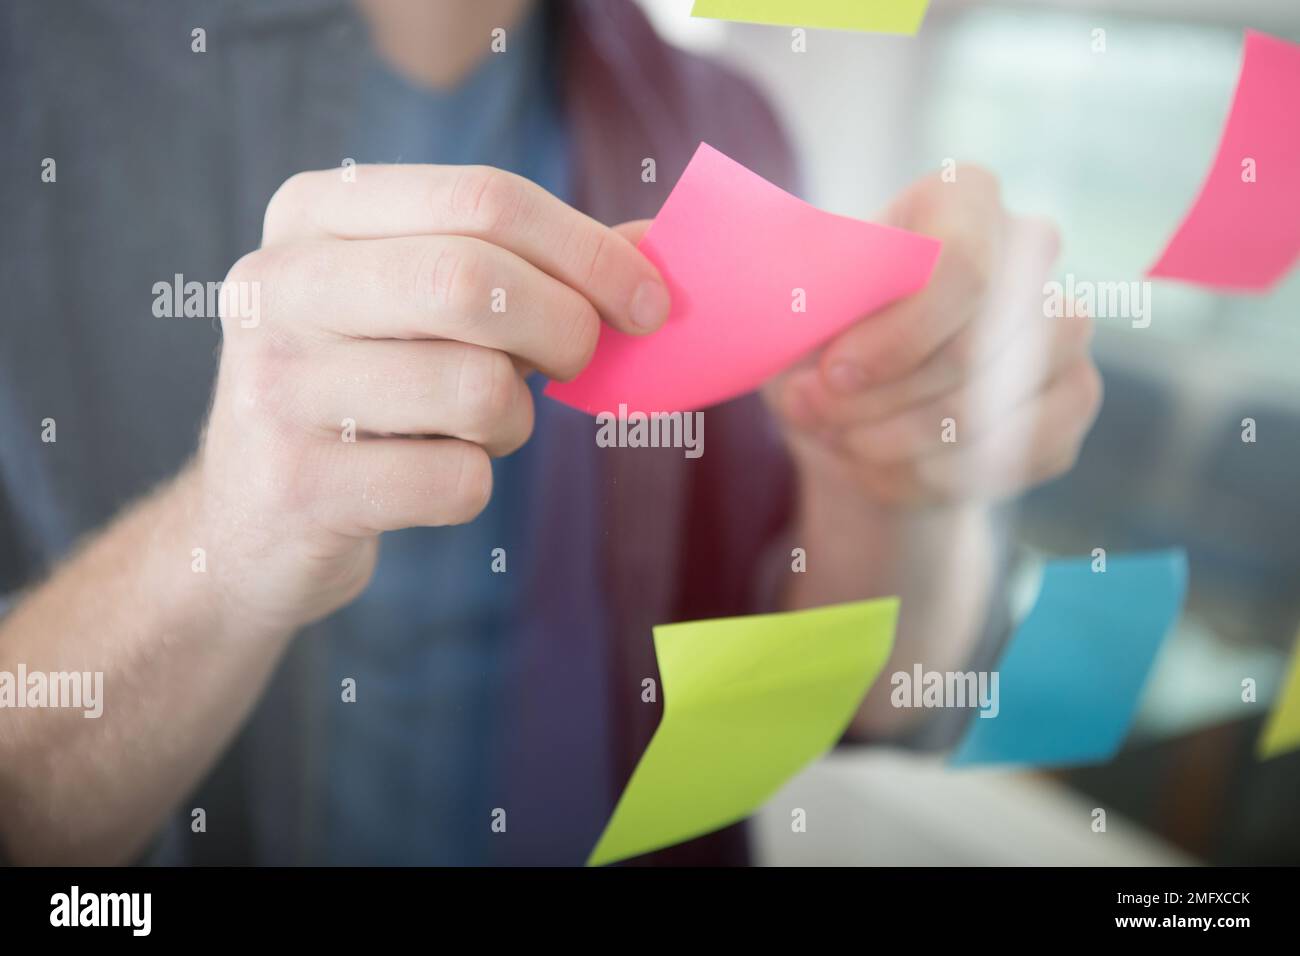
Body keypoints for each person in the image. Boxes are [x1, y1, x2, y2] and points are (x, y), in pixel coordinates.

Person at [0, 0, 1101, 865]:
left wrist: (909, 469)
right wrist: (226, 545)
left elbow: (886, 692)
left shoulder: (727, 118)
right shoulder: (34, 75)